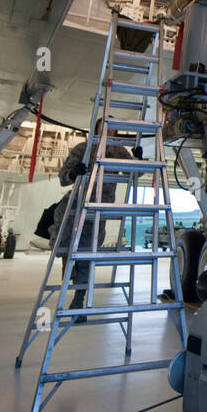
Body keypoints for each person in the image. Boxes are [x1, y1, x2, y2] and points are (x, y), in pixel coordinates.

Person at [49, 121, 133, 320]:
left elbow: (135, 173)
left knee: (86, 253)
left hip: (97, 212)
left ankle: (79, 298)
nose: (108, 131)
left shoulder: (119, 151)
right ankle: (73, 287)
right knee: (67, 248)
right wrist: (74, 172)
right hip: (77, 207)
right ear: (96, 129)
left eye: (112, 129)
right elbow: (64, 177)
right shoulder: (83, 149)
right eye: (105, 127)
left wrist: (138, 158)